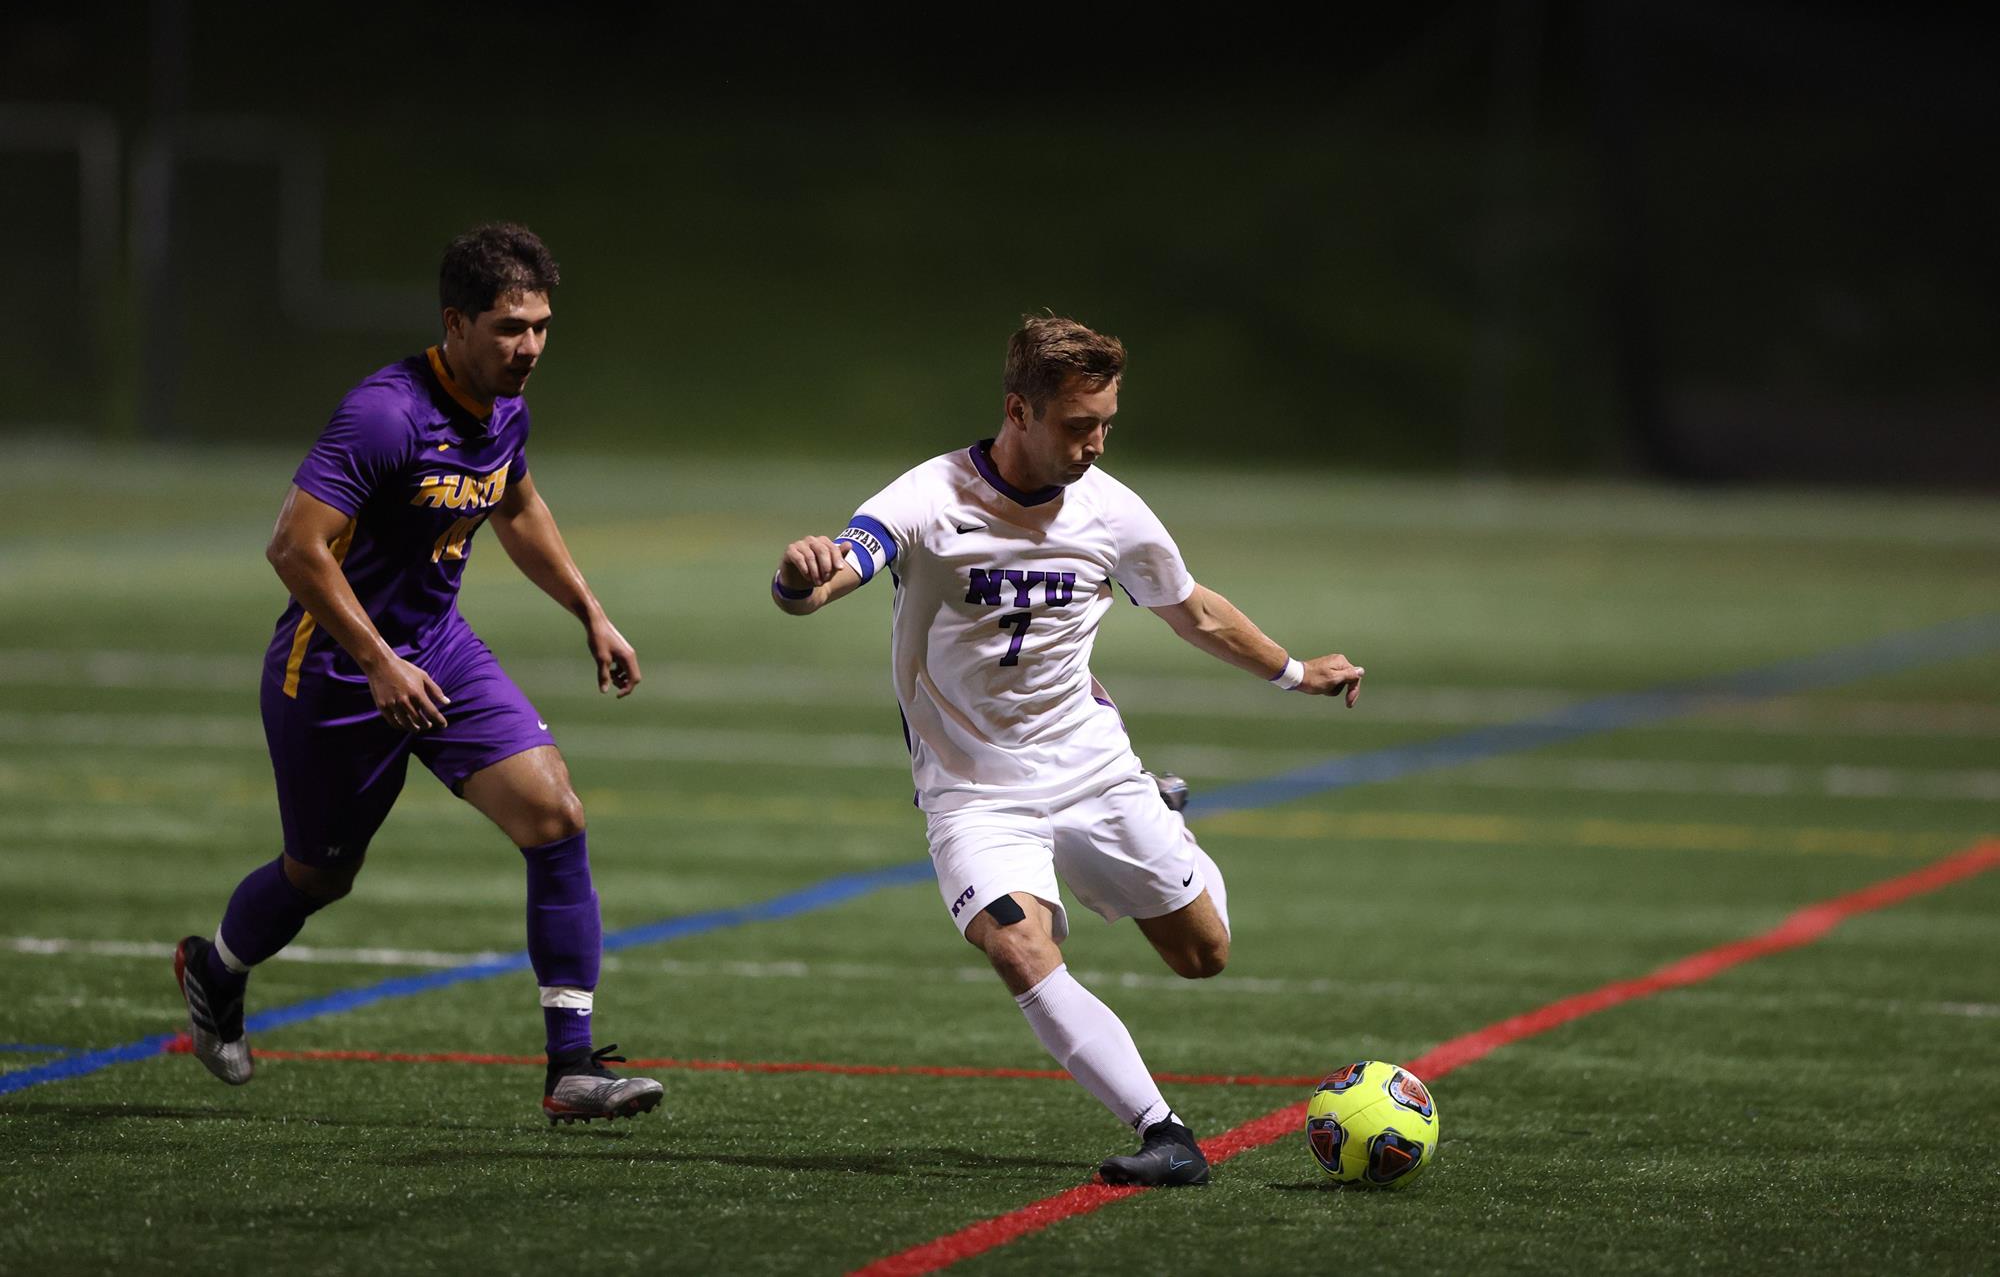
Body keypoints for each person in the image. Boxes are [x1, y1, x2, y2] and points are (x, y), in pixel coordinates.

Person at [769, 315, 1363, 1185]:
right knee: (1019, 946)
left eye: (1106, 424)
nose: (1094, 444)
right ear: (1019, 409)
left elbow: (1191, 608)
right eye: (1078, 425)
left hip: (1093, 768)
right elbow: (830, 578)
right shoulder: (925, 498)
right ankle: (1166, 1132)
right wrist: (797, 576)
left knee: (1203, 955)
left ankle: (1163, 813)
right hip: (973, 790)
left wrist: (1296, 671)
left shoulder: (1110, 511)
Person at [174, 223, 664, 1124]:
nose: (531, 348)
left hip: (437, 649)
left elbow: (515, 503)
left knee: (555, 815)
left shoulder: (504, 407)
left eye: (543, 326)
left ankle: (570, 1068)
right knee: (319, 876)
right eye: (511, 327)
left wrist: (590, 611)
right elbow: (294, 545)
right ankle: (216, 970)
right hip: (330, 672)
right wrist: (375, 661)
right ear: (455, 323)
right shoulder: (386, 412)